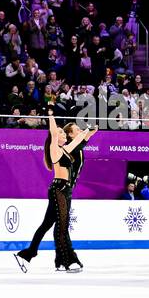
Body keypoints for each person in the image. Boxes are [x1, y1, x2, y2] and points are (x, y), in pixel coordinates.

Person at [14, 110, 96, 273]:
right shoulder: (54, 149)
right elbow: (52, 131)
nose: (63, 134)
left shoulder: (65, 150)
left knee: (46, 224)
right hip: (59, 189)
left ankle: (27, 254)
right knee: (62, 225)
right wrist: (50, 114)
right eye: (60, 132)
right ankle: (67, 261)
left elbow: (78, 139)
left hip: (63, 190)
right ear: (55, 137)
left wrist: (88, 130)